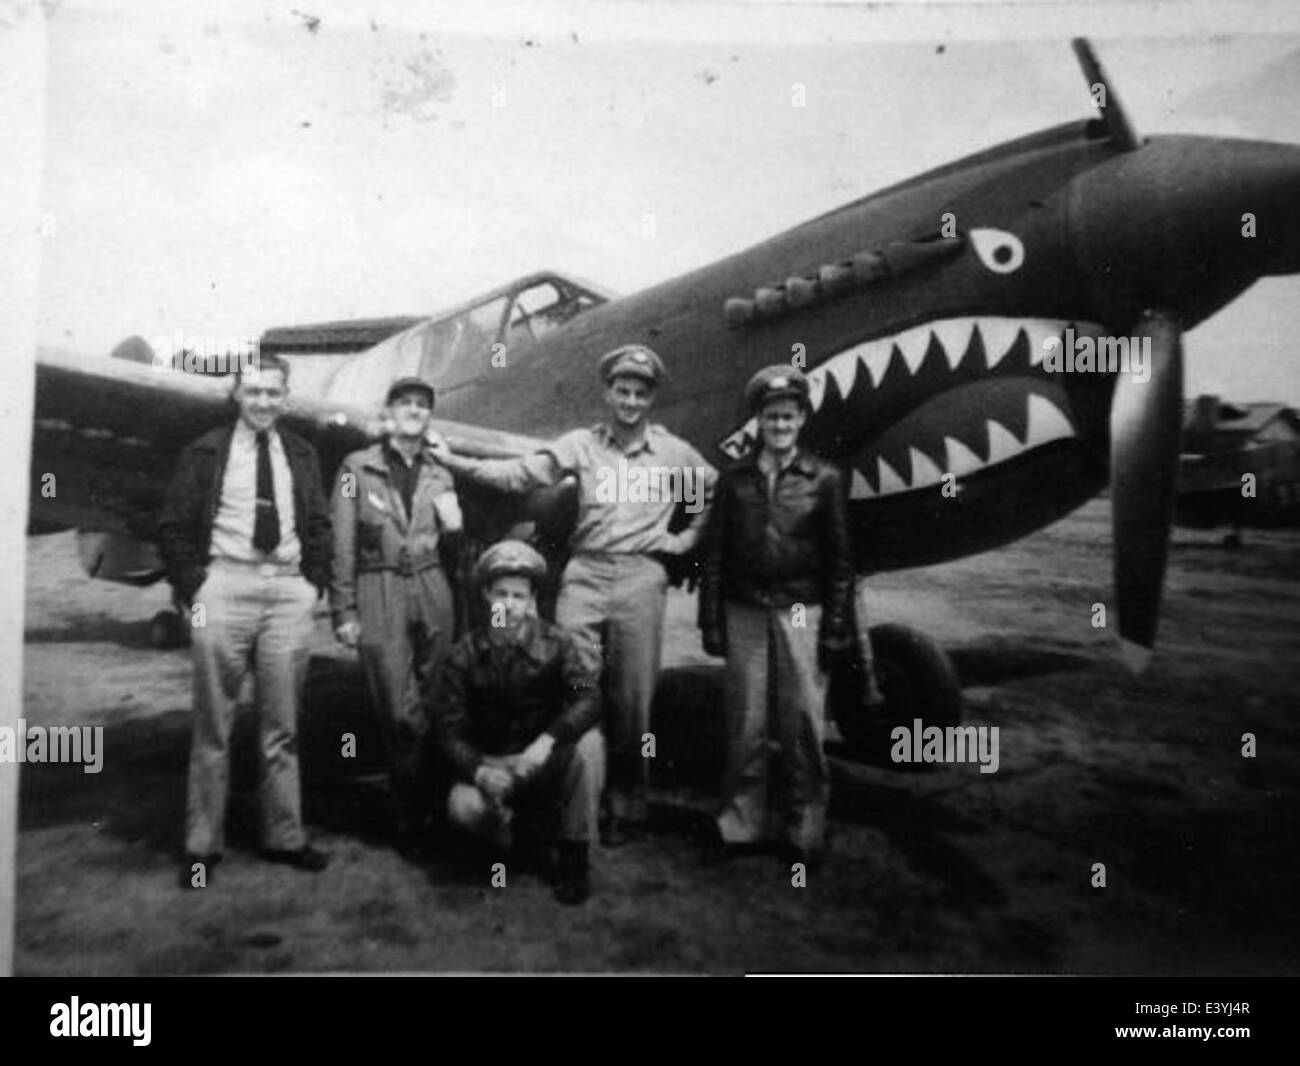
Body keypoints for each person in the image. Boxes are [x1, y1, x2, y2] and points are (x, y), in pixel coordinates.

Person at [428, 345, 716, 846]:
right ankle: (565, 794)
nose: (629, 401)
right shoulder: (582, 445)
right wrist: (452, 460)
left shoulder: (674, 453)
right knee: (571, 687)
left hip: (640, 577)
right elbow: (519, 474)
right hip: (585, 574)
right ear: (607, 393)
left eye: (639, 393)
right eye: (621, 391)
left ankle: (626, 805)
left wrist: (685, 540)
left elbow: (708, 491)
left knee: (633, 699)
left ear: (651, 398)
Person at [157, 353, 332, 887]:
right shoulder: (206, 451)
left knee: (283, 727)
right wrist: (197, 587)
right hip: (225, 585)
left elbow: (320, 523)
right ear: (236, 394)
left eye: (272, 393)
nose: (262, 402)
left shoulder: (302, 453)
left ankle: (285, 836)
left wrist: (311, 584)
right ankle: (202, 844)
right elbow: (174, 526)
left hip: (287, 592)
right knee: (214, 725)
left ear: (286, 398)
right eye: (252, 392)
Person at [697, 365, 855, 865]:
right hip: (744, 608)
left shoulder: (824, 479)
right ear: (758, 422)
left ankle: (802, 826)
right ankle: (741, 822)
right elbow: (715, 555)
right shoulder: (734, 480)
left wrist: (833, 629)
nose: (779, 425)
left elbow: (841, 562)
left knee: (803, 721)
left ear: (801, 419)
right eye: (770, 417)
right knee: (745, 721)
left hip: (801, 611)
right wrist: (711, 619)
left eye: (787, 416)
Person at [428, 540, 604, 905]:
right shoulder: (463, 654)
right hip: (492, 765)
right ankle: (519, 836)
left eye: (519, 596)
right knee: (462, 808)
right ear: (485, 596)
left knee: (590, 746)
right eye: (501, 594)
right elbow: (447, 730)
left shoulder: (560, 643)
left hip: (540, 762)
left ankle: (574, 857)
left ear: (532, 600)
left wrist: (548, 741)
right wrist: (478, 771)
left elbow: (590, 697)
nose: (509, 605)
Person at [330, 376, 463, 852]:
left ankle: (437, 809)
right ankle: (409, 813)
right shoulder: (355, 467)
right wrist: (343, 608)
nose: (413, 410)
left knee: (437, 701)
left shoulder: (441, 472)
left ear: (429, 416)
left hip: (431, 585)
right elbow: (341, 544)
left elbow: (454, 546)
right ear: (388, 414)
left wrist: (455, 530)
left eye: (422, 405)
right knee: (398, 709)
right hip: (378, 584)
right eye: (404, 403)